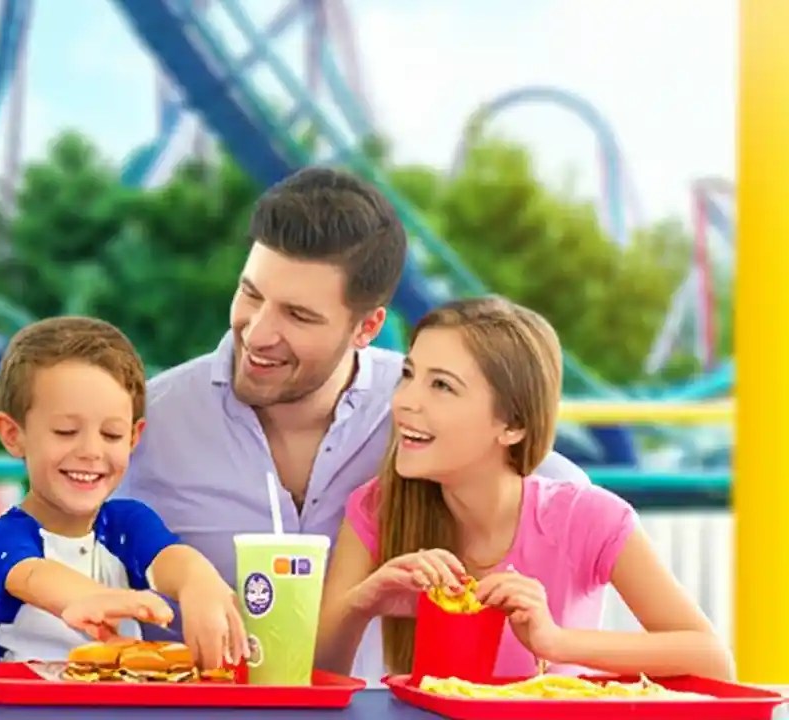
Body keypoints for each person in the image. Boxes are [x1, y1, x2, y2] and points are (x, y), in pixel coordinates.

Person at [117, 166, 588, 676]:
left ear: (367, 326)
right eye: (251, 293)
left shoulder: (420, 409)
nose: (258, 332)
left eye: (298, 316)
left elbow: (563, 499)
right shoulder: (144, 422)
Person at [315, 296, 733, 680]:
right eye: (409, 375)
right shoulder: (378, 507)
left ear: (513, 425)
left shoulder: (588, 517)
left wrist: (556, 641)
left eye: (441, 385)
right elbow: (317, 675)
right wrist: (363, 603)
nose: (404, 401)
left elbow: (712, 661)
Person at [0, 317, 246, 669]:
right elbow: (31, 575)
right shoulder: (1, 540)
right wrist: (92, 599)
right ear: (12, 434)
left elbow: (171, 560)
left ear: (133, 437)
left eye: (111, 435)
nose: (91, 451)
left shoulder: (126, 524)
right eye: (66, 431)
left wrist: (199, 582)